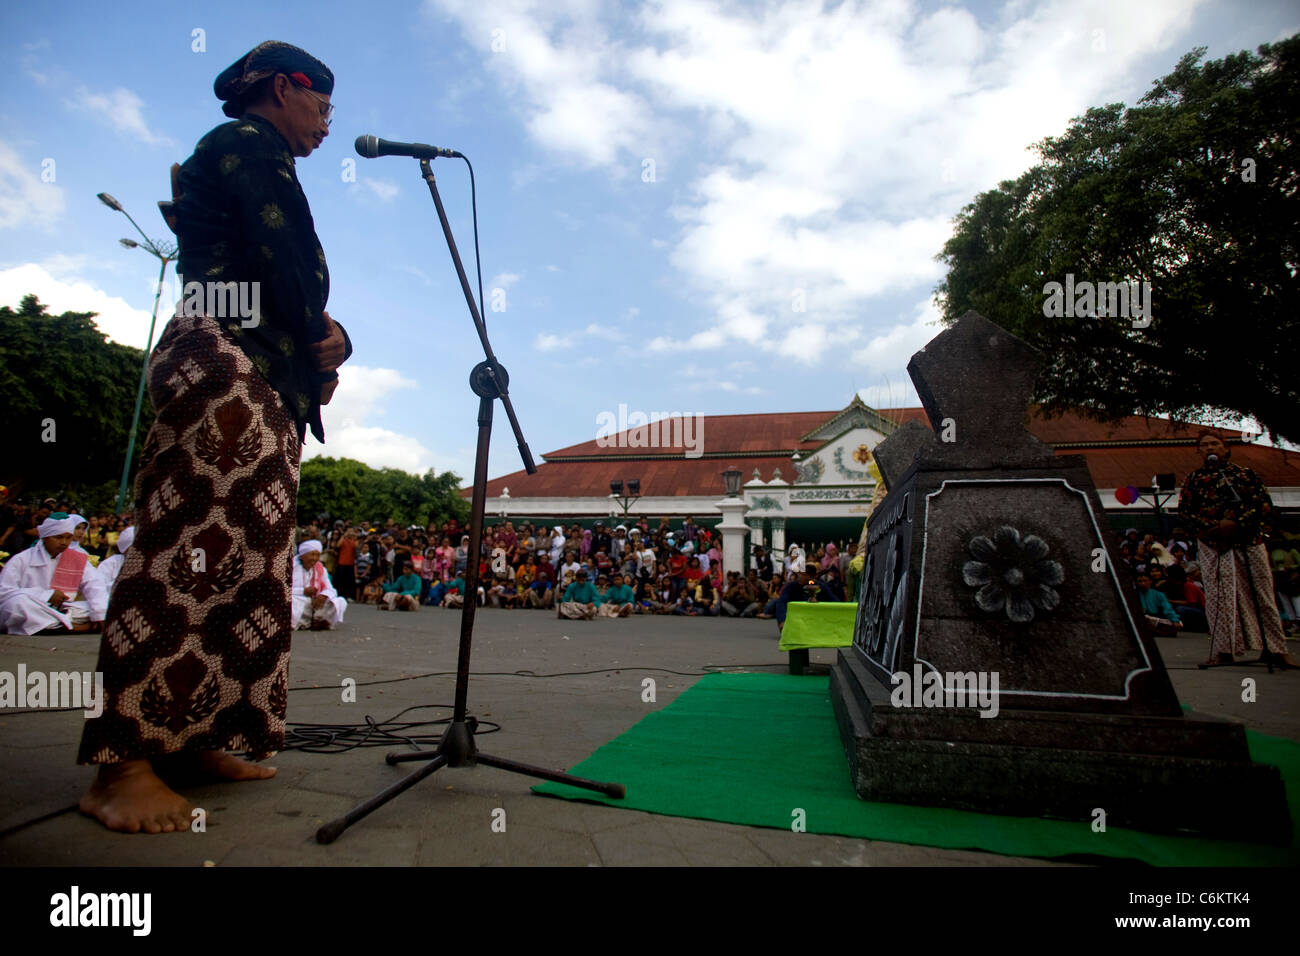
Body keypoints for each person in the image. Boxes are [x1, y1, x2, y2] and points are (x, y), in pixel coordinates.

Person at [77, 41, 352, 834]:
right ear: (280, 88)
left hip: (258, 371)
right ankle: (121, 762)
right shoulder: (240, 145)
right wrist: (321, 332)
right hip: (222, 366)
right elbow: (280, 263)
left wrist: (311, 347)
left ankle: (199, 733)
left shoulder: (270, 160)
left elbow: (281, 273)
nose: (328, 124)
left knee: (250, 566)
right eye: (323, 105)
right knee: (186, 551)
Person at [1178, 432, 1296, 666]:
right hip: (1214, 544)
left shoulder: (1244, 475)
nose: (1210, 448)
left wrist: (1236, 522)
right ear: (1199, 451)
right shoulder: (1193, 480)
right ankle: (1223, 651)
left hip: (1248, 540)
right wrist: (1215, 527)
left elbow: (1262, 505)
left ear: (1225, 448)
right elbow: (1186, 512)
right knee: (1219, 598)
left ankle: (1276, 649)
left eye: (1215, 444)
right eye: (1205, 445)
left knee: (1262, 595)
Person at [0, 513, 109, 634]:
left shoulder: (77, 558)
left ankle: (55, 624)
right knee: (16, 604)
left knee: (101, 604)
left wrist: (100, 613)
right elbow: (3, 593)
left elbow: (94, 584)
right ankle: (74, 627)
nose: (64, 542)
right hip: (32, 608)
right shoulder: (21, 559)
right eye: (58, 537)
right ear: (45, 537)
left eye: (68, 537)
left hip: (62, 609)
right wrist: (46, 595)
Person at [291, 539, 347, 629]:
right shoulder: (292, 568)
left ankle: (316, 621)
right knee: (293, 602)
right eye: (312, 554)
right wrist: (303, 591)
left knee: (340, 601)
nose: (314, 558)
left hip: (316, 602)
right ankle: (306, 622)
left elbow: (331, 589)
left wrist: (324, 595)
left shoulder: (320, 568)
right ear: (302, 556)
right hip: (299, 600)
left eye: (317, 555)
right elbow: (285, 590)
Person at [1135, 570, 1184, 636]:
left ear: (1150, 581)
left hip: (1156, 618)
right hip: (1142, 618)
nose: (1143, 583)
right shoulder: (1134, 594)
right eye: (1140, 581)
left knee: (1173, 625)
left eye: (1145, 581)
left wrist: (1174, 620)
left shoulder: (1159, 594)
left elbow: (1167, 608)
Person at [95, 525, 136, 598]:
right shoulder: (111, 563)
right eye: (135, 547)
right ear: (125, 549)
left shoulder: (153, 564)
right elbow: (98, 587)